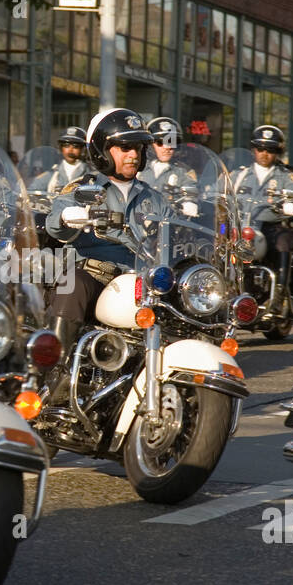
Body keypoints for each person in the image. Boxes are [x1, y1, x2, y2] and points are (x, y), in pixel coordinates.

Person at [43, 108, 172, 397]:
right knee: (71, 283)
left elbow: (174, 243)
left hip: (145, 283)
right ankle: (55, 375)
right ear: (103, 150)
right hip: (96, 278)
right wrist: (68, 217)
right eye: (124, 147)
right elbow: (55, 223)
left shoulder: (156, 199)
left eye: (137, 147)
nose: (133, 154)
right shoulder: (82, 189)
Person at [229, 124, 293, 312]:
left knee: (283, 242)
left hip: (271, 227)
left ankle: (278, 293)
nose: (264, 153)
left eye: (270, 149)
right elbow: (216, 191)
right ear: (253, 150)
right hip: (241, 227)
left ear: (277, 152)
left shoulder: (287, 177)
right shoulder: (239, 175)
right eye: (260, 148)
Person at [138, 116, 197, 195]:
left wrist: (189, 204)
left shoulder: (183, 172)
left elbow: (192, 197)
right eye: (161, 142)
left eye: (172, 142)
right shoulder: (139, 168)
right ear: (150, 145)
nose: (167, 147)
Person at [30, 126, 90, 197]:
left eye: (75, 146)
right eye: (66, 145)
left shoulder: (91, 174)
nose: (70, 150)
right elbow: (31, 192)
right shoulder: (53, 173)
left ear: (83, 149)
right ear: (61, 148)